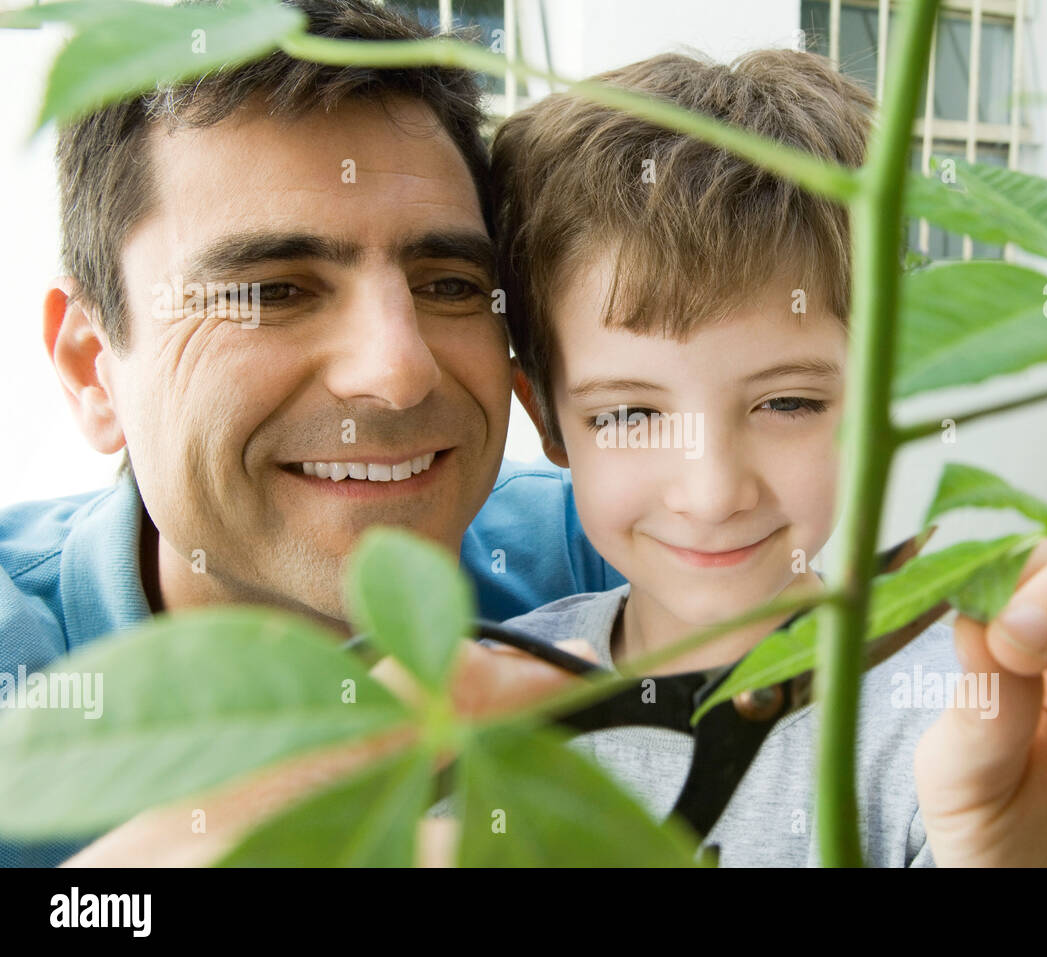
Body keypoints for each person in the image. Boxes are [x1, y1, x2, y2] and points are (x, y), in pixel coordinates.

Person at [485, 48, 1047, 866]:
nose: (712, 491)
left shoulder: (983, 716)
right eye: (628, 413)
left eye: (788, 402)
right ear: (548, 418)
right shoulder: (473, 696)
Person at [0, 0, 622, 867]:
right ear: (89, 366)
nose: (399, 370)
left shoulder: (604, 544)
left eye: (447, 284)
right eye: (273, 291)